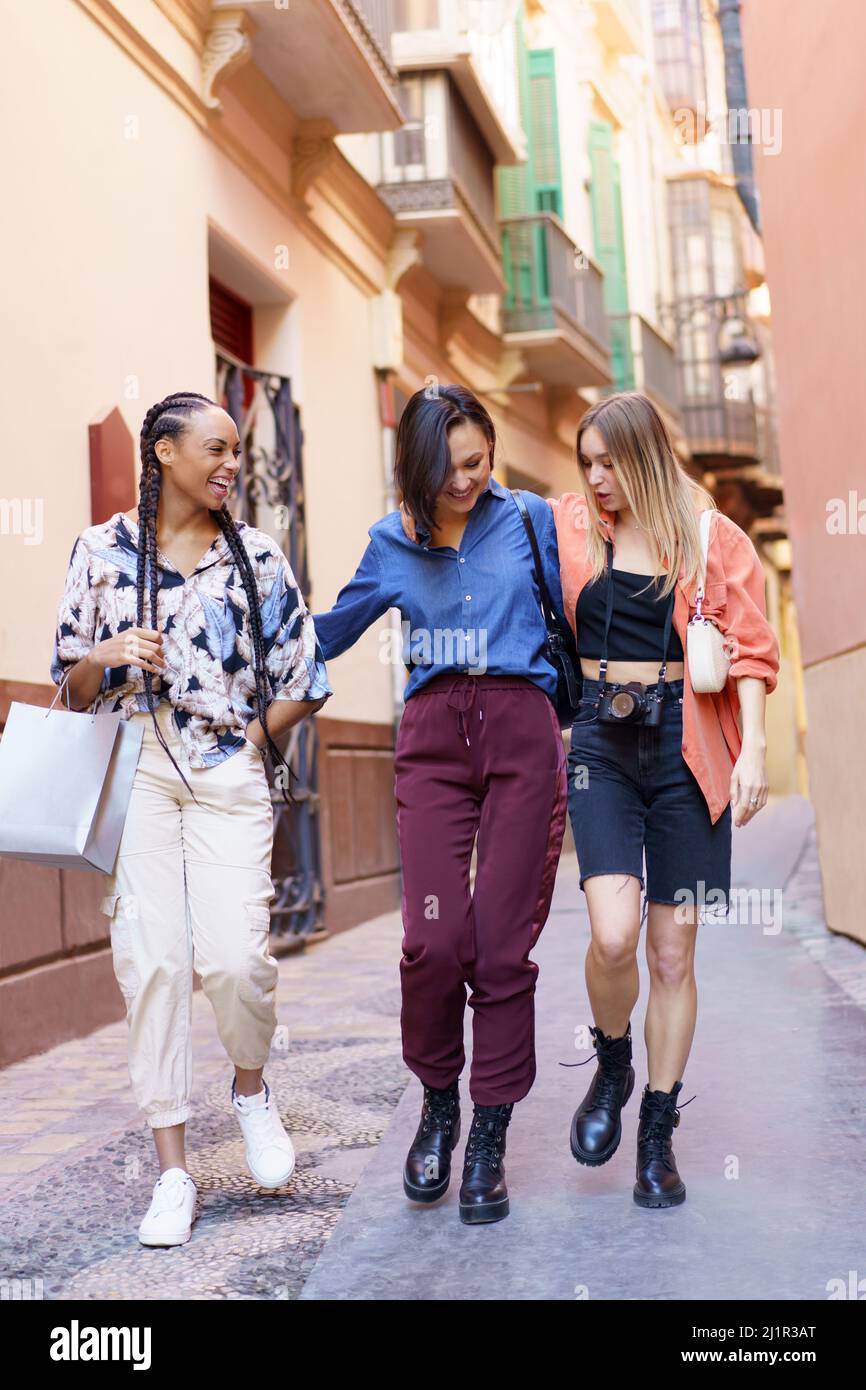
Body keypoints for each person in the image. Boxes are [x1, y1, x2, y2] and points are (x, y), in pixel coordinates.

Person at [50, 391, 331, 1245]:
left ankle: (250, 1089)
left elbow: (304, 679)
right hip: (135, 773)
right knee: (156, 964)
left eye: (238, 452)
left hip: (225, 775)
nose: (230, 465)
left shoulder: (256, 556)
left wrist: (248, 741)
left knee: (237, 958)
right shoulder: (101, 552)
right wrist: (104, 657)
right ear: (164, 453)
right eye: (215, 448)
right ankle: (173, 1171)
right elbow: (65, 684)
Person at [313, 384, 568, 1224]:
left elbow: (583, 617)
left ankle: (488, 1132)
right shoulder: (391, 540)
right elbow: (326, 635)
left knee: (498, 947)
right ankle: (439, 1101)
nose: (468, 480)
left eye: (478, 460)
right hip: (432, 738)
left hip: (522, 730)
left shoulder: (527, 518)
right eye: (450, 467)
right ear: (416, 468)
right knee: (431, 940)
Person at [550, 390, 779, 1208]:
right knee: (613, 935)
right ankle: (612, 1067)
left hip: (687, 752)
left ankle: (657, 1131)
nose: (596, 478)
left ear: (645, 456)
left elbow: (752, 653)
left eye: (610, 462)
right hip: (602, 749)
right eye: (586, 463)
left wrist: (752, 747)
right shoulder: (570, 525)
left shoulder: (713, 538)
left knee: (673, 953)